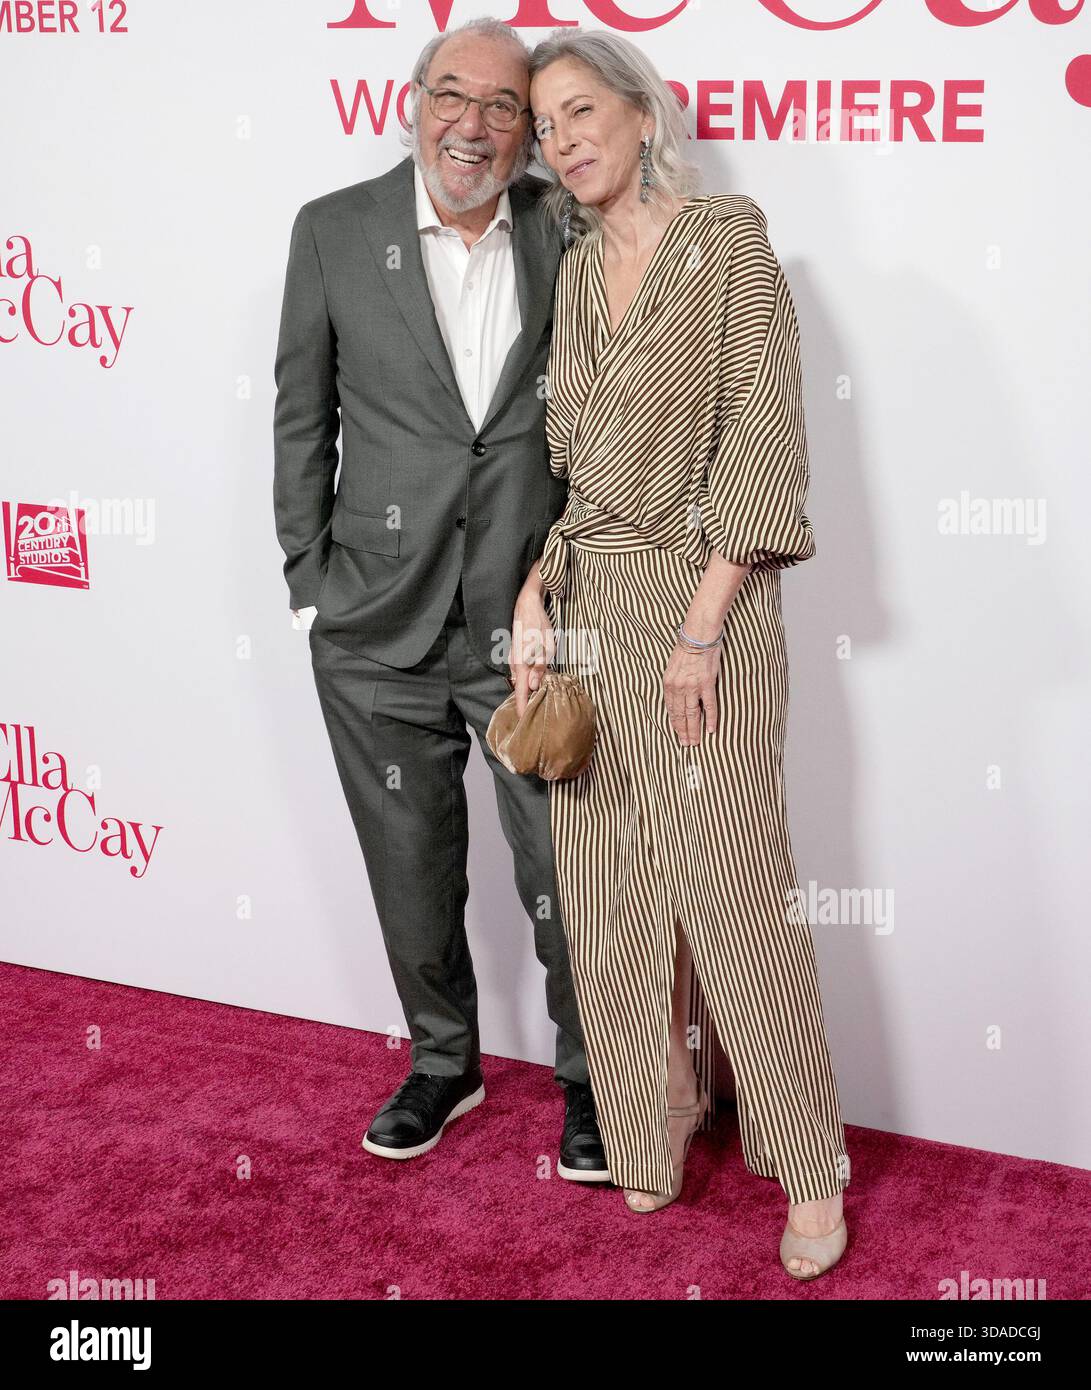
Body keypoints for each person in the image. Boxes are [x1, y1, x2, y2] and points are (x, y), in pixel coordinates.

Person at [507, 28, 851, 1277]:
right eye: (545, 126)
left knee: (734, 898)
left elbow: (764, 436)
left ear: (642, 115)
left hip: (707, 601)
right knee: (604, 893)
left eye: (581, 111)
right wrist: (538, 595)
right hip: (590, 595)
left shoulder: (728, 240)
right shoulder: (574, 268)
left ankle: (810, 1168)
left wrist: (703, 629)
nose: (563, 140)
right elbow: (569, 477)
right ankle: (655, 1128)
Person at [272, 17, 607, 1182]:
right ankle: (443, 1059)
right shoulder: (333, 230)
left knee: (568, 866)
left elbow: (596, 428)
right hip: (373, 623)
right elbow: (299, 419)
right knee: (408, 859)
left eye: (503, 107)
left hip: (526, 621)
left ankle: (592, 1080)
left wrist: (554, 581)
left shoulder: (564, 229)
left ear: (525, 131)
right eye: (451, 97)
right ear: (411, 101)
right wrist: (313, 588)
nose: (472, 124)